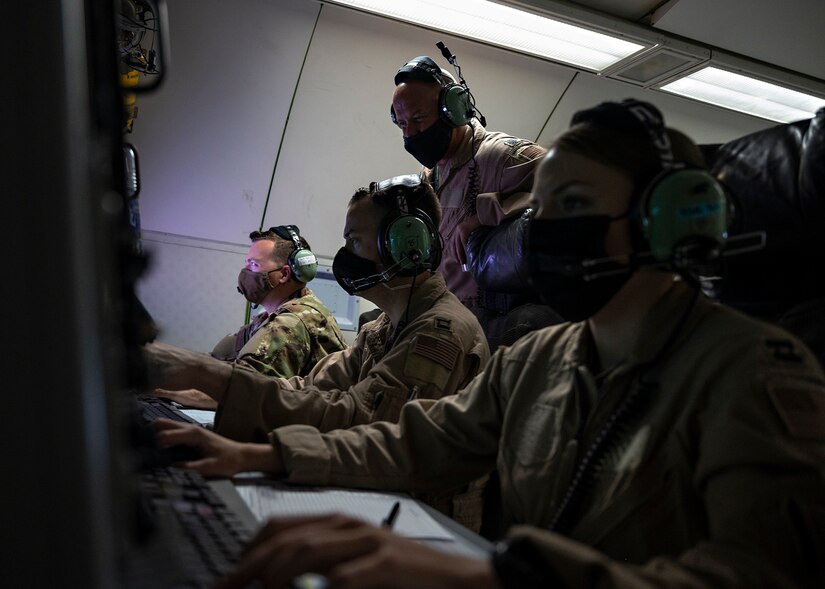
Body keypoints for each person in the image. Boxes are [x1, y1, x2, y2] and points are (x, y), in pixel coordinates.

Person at [155, 99, 825, 589]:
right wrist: (259, 452)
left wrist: (492, 576)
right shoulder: (540, 356)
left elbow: (751, 573)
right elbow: (414, 441)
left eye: (571, 204)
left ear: (666, 218)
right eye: (540, 208)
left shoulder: (755, 371)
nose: (537, 232)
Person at [145, 174, 491, 528]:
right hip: (385, 504)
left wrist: (211, 378)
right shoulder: (382, 328)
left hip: (426, 523)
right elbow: (308, 387)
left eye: (354, 241)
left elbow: (361, 424)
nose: (345, 255)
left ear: (404, 246)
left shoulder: (441, 333)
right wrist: (218, 386)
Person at [390, 54, 560, 347]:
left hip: (494, 328)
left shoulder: (503, 157)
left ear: (453, 109)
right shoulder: (431, 175)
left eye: (418, 120)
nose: (410, 134)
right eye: (402, 123)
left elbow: (570, 190)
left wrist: (486, 215)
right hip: (450, 325)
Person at [153, 226, 348, 407]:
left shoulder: (292, 322)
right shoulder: (273, 315)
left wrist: (157, 389)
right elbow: (218, 360)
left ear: (284, 274)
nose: (246, 272)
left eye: (254, 265)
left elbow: (238, 392)